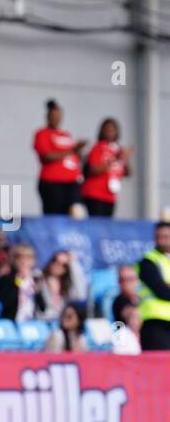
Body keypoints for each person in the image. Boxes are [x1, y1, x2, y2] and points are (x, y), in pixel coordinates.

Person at [34, 100, 85, 216]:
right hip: (52, 183)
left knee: (77, 211)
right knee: (55, 216)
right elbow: (47, 156)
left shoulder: (66, 135)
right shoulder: (42, 134)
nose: (56, 119)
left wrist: (78, 153)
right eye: (53, 116)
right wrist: (72, 151)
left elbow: (73, 156)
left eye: (58, 116)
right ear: (47, 116)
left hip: (72, 182)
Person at [79, 118, 130, 219]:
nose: (110, 133)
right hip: (95, 194)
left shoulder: (118, 149)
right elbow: (93, 169)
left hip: (110, 195)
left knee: (107, 226)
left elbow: (127, 173)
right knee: (97, 225)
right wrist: (115, 158)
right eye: (107, 130)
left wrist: (126, 159)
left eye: (112, 130)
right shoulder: (98, 148)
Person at [136, 221, 170, 352]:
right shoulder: (148, 261)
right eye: (158, 237)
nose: (161, 241)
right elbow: (163, 291)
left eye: (166, 237)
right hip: (155, 322)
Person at [36, 249, 86, 322]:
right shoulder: (38, 277)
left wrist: (73, 263)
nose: (58, 265)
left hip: (58, 322)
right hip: (41, 321)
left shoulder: (65, 286)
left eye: (64, 265)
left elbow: (80, 295)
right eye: (55, 260)